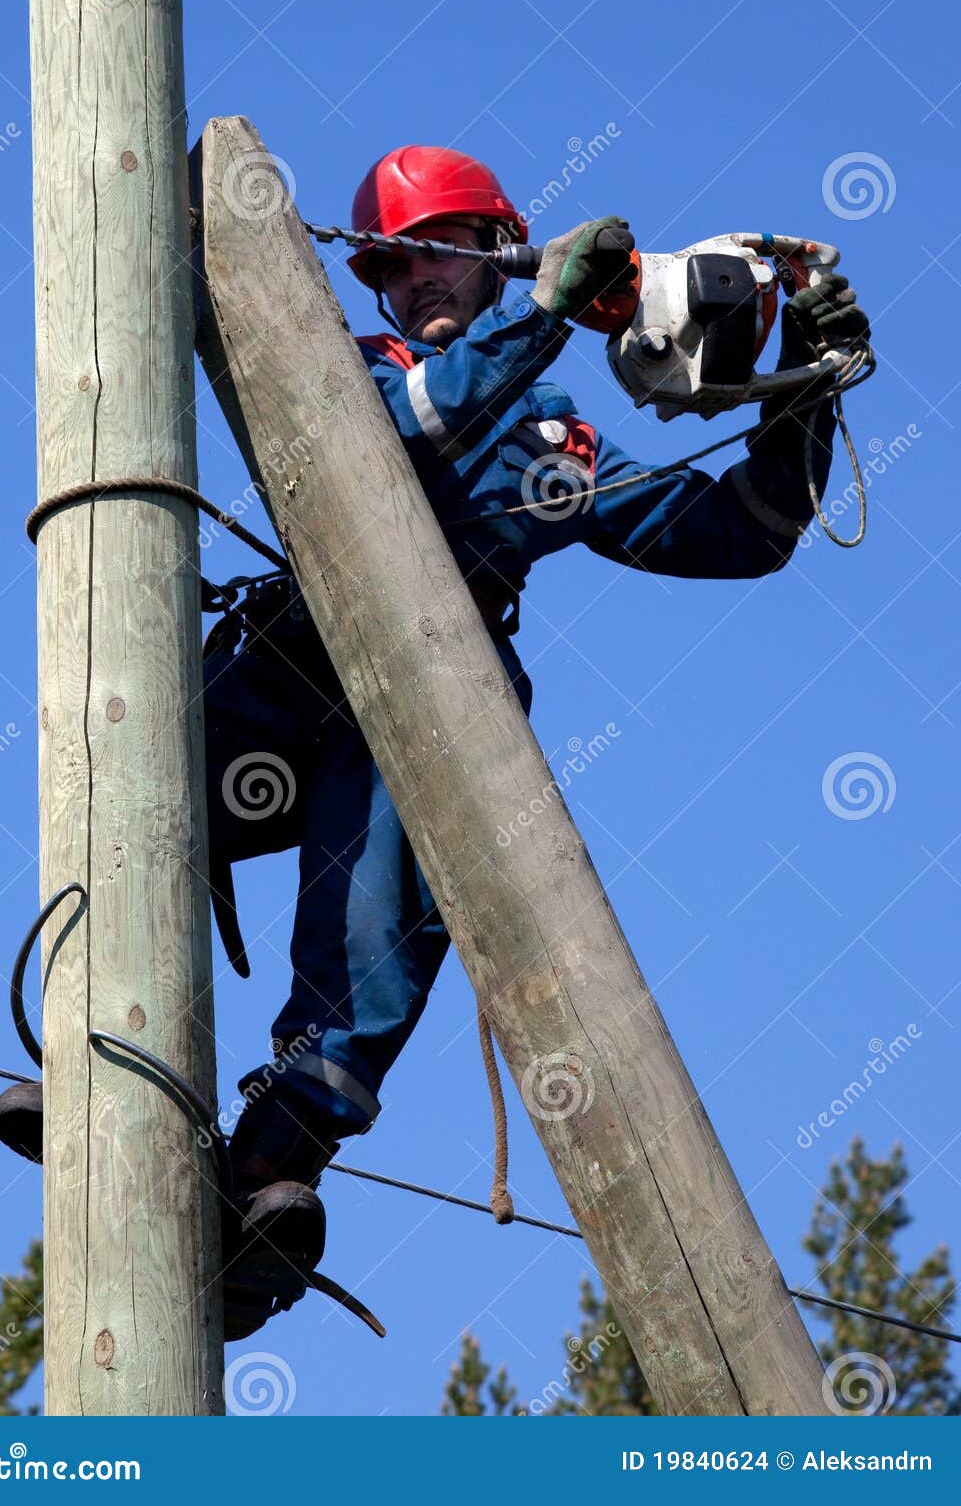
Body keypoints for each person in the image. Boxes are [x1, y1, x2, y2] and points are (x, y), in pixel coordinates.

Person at [202, 146, 871, 1337]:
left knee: (372, 955)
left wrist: (803, 389)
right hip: (289, 670)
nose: (415, 279)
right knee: (135, 786)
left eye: (439, 246)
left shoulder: (547, 439)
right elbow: (386, 440)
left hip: (422, 687)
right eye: (392, 265)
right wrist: (553, 320)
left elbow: (734, 532)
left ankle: (256, 1188)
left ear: (497, 248)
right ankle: (106, 1076)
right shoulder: (351, 365)